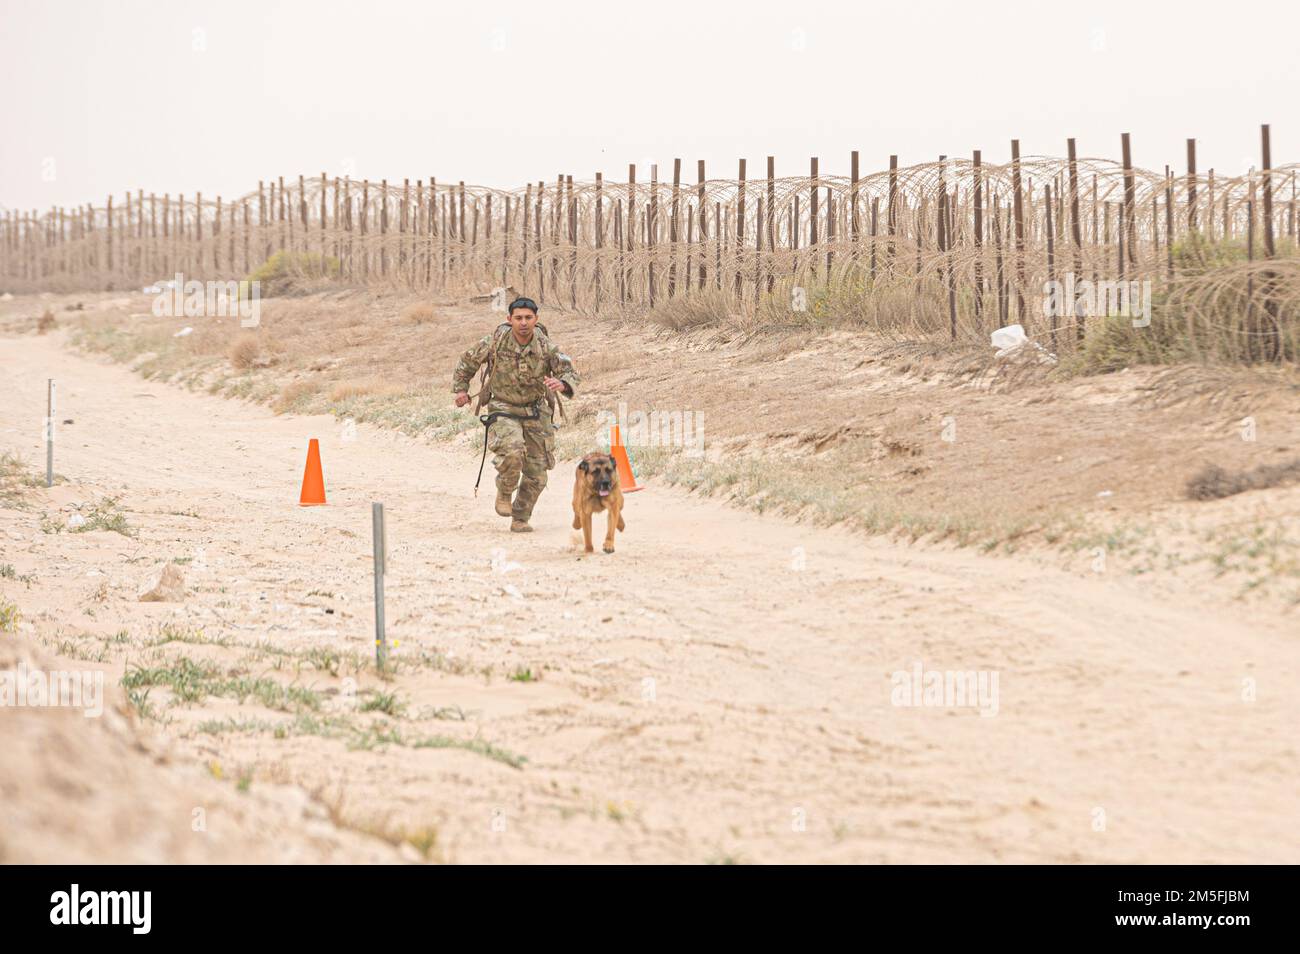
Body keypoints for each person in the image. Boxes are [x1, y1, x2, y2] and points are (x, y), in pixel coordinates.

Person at [451, 297, 580, 532]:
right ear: (509, 319)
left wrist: (562, 383)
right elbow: (467, 362)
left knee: (538, 471)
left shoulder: (546, 346)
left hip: (536, 409)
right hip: (503, 406)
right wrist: (461, 390)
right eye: (518, 318)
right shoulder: (496, 342)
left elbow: (569, 370)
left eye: (528, 318)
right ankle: (505, 491)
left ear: (536, 319)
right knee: (512, 451)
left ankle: (520, 516)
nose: (523, 323)